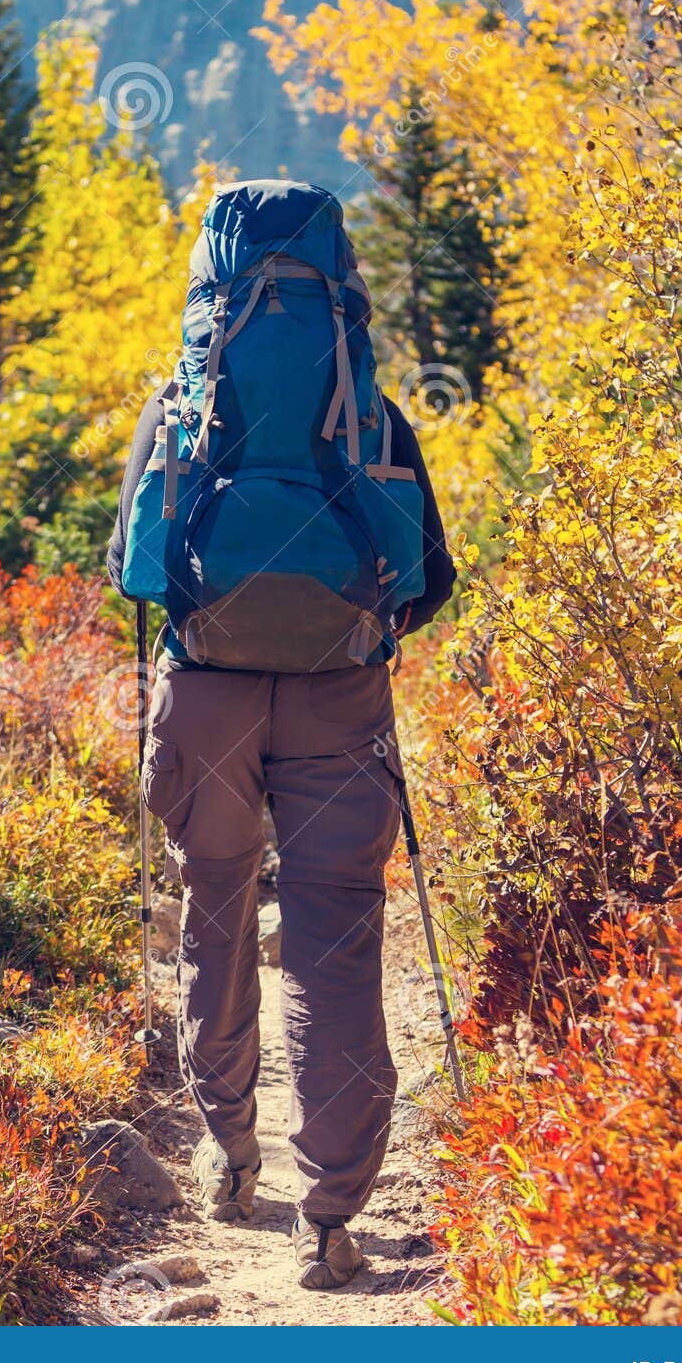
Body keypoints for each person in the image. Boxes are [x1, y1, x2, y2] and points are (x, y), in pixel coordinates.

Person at [106, 252, 454, 1290]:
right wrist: (355, 636)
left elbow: (132, 562)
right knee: (335, 932)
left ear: (212, 294)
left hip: (206, 684)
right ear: (341, 291)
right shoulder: (372, 411)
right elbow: (428, 577)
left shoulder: (179, 405)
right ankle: (333, 1214)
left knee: (214, 905)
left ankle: (231, 1153)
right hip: (337, 690)